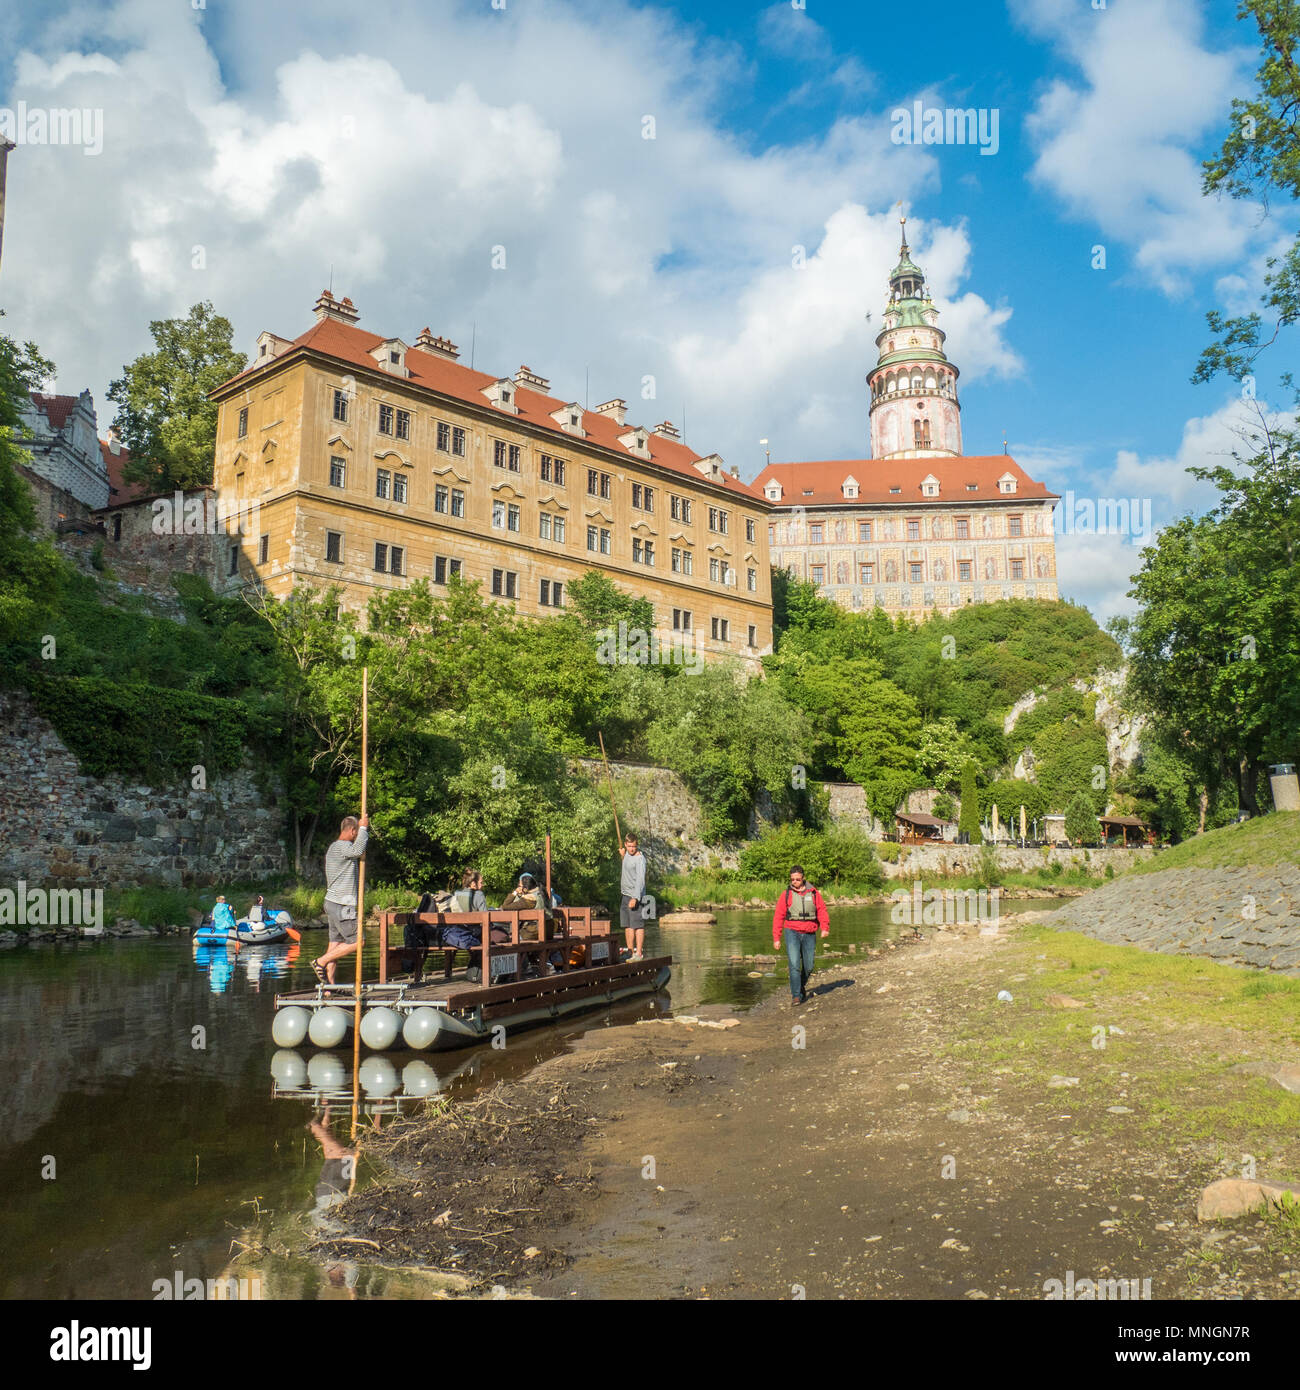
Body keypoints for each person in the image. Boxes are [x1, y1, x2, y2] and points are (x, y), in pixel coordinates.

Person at [312, 813, 370, 984]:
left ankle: (328, 986)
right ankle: (320, 962)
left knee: (335, 944)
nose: (357, 837)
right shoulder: (341, 846)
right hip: (342, 903)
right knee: (358, 941)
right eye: (357, 833)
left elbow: (358, 851)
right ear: (352, 831)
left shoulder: (334, 848)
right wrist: (364, 827)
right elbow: (358, 850)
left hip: (333, 902)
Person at [772, 864, 829, 1006]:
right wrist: (776, 938)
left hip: (809, 932)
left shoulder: (814, 893)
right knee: (794, 965)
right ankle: (796, 996)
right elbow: (778, 916)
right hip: (792, 931)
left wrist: (824, 927)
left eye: (797, 879)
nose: (795, 882)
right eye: (793, 879)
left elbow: (821, 910)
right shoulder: (786, 895)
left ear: (803, 878)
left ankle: (800, 986)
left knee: (809, 966)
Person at [619, 832, 648, 961]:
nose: (632, 849)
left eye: (634, 846)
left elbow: (640, 880)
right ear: (625, 844)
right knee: (627, 925)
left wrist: (635, 898)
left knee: (638, 925)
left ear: (637, 846)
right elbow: (626, 865)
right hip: (625, 895)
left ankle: (639, 953)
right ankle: (630, 951)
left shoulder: (640, 859)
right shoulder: (626, 855)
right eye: (629, 846)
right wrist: (623, 855)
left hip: (636, 897)